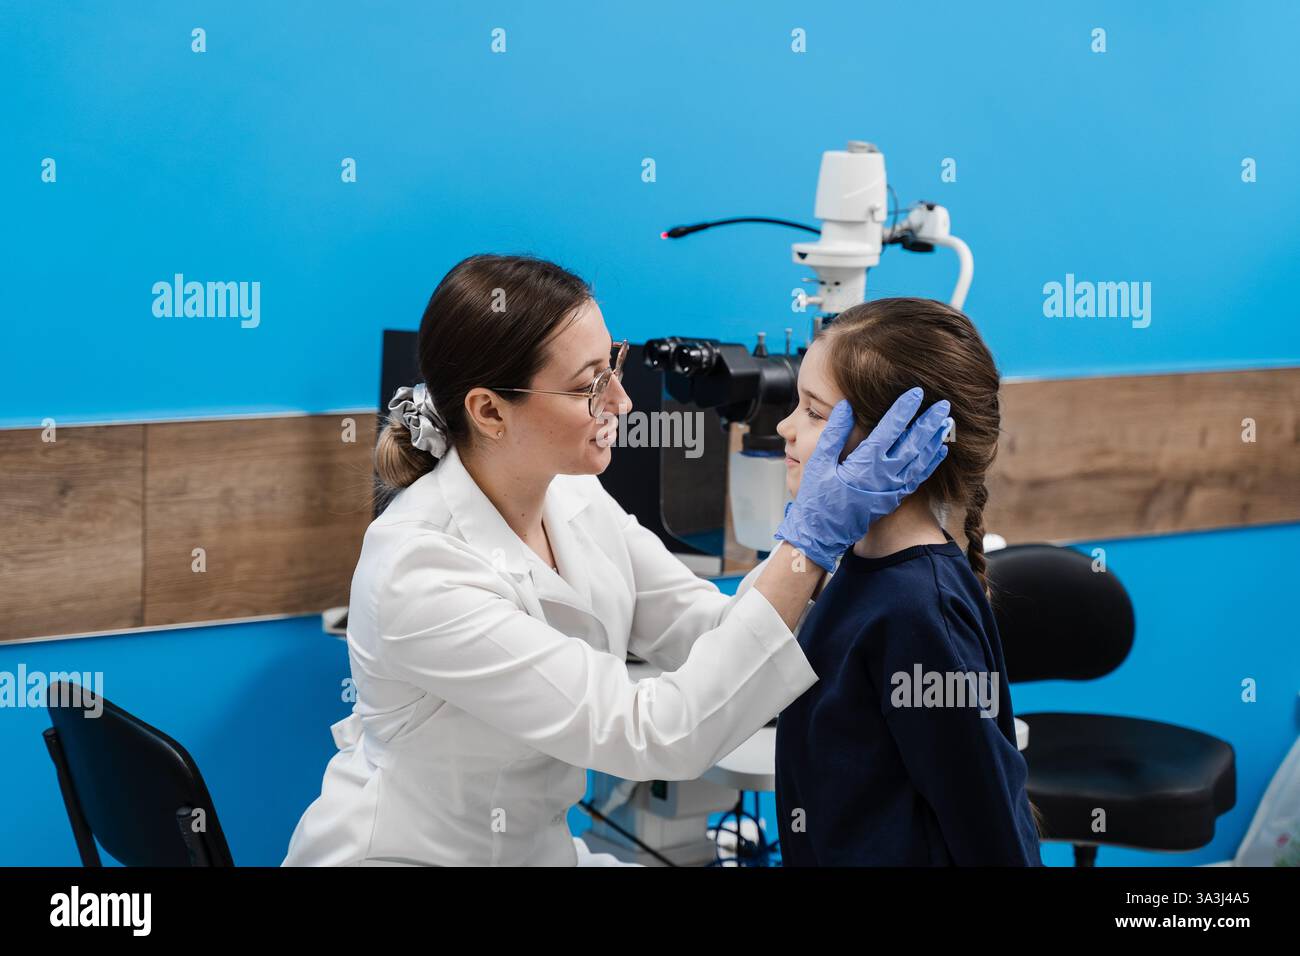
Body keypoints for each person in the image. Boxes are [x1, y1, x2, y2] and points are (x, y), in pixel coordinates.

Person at [282, 255, 950, 866]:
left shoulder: (573, 497)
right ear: (489, 410)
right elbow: (655, 734)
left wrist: (828, 557)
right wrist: (805, 544)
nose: (622, 404)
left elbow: (707, 633)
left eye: (614, 366)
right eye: (587, 387)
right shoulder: (419, 569)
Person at [767, 297, 1042, 865]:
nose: (784, 427)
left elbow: (988, 822)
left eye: (815, 413)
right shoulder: (851, 573)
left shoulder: (917, 610)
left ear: (894, 441)